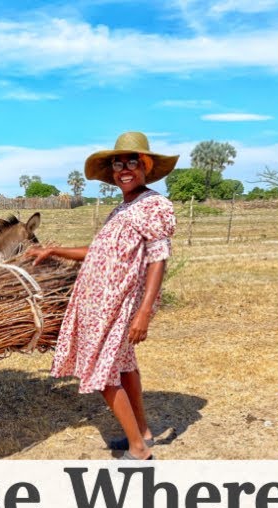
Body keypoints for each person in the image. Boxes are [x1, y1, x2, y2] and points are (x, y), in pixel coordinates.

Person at [25, 131, 176, 461]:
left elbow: (158, 258)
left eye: (132, 162)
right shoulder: (123, 209)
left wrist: (144, 312)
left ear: (146, 165)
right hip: (99, 305)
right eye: (117, 163)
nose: (124, 169)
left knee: (103, 373)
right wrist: (54, 250)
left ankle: (139, 452)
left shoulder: (154, 206)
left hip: (120, 306)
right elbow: (96, 252)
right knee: (123, 367)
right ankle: (144, 433)